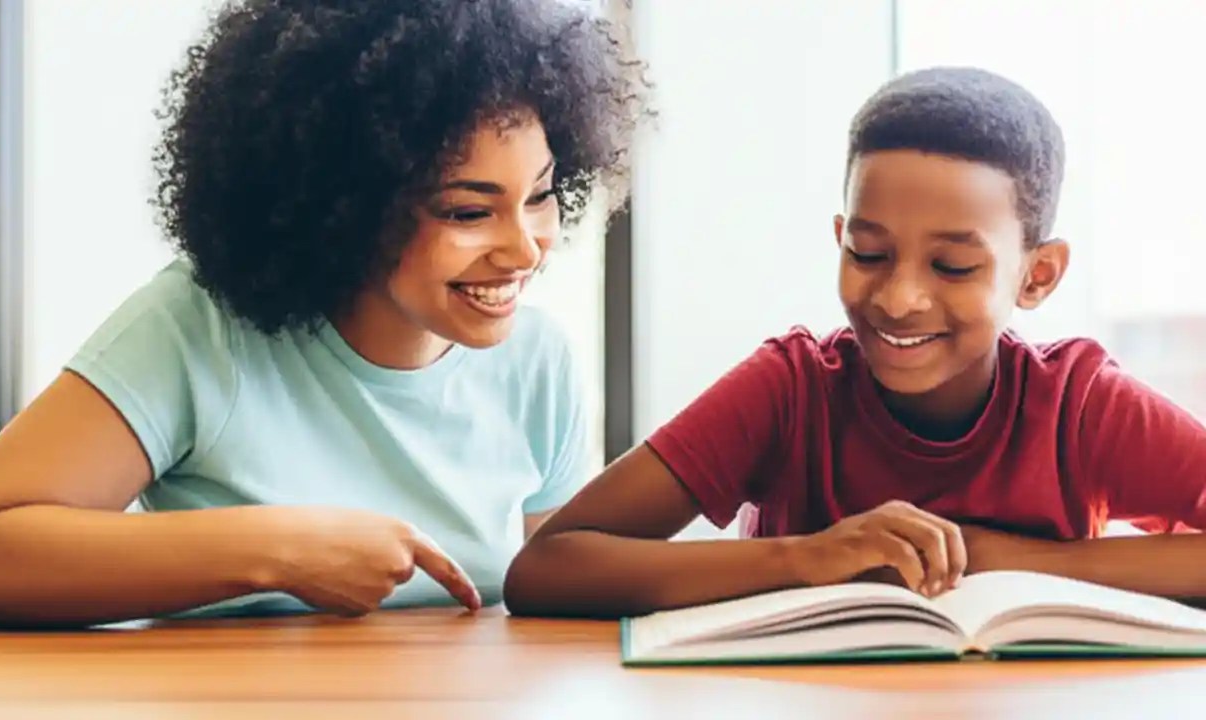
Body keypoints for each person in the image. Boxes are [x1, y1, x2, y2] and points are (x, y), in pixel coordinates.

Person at [0, 0, 647, 628]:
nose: (525, 248)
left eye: (540, 196)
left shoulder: (536, 361)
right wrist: (279, 551)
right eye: (467, 210)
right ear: (351, 205)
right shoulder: (200, 329)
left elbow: (555, 597)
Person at [505, 67, 1206, 619]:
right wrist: (808, 558)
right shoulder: (792, 388)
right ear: (841, 238)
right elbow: (546, 567)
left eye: (953, 267)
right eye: (869, 254)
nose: (899, 298)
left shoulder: (1079, 405)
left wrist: (1004, 559)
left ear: (1038, 274)